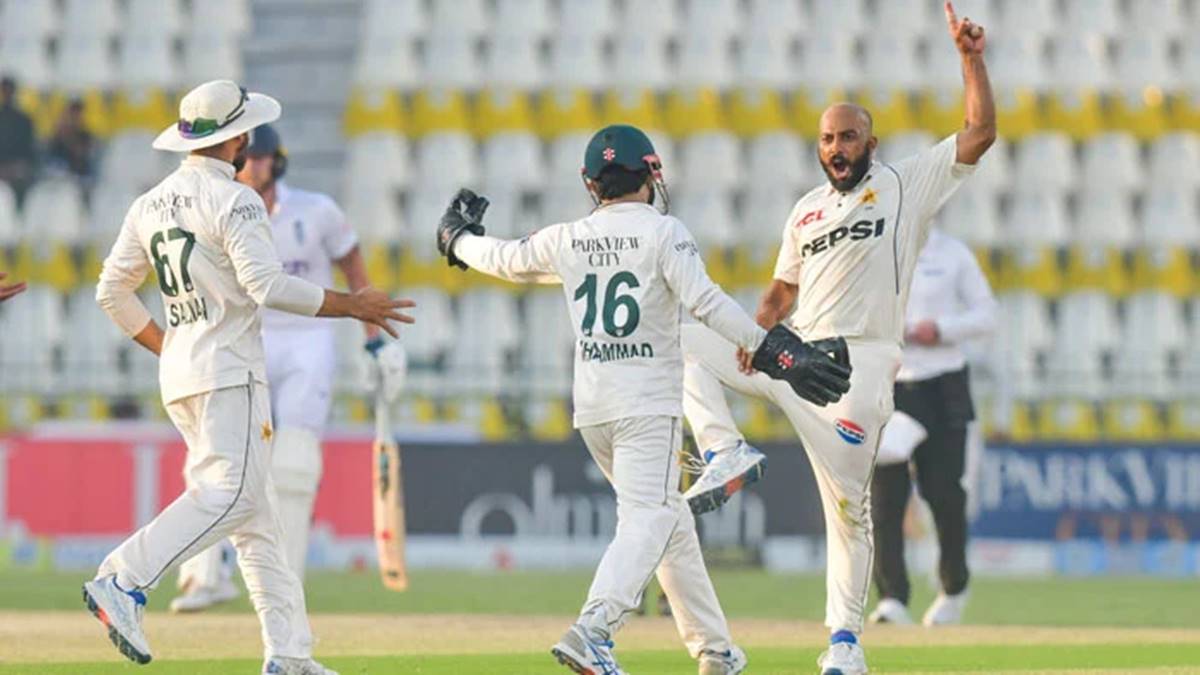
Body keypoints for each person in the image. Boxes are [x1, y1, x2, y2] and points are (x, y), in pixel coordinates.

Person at [435, 124, 850, 675]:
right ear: (651, 174)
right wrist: (774, 350)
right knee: (648, 517)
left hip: (593, 409)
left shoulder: (570, 237)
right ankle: (594, 629)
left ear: (591, 183)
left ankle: (716, 652)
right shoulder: (663, 232)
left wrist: (456, 240)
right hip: (647, 404)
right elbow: (705, 302)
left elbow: (506, 258)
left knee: (668, 520)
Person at [678, 4, 995, 673]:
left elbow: (978, 132)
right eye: (828, 139)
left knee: (848, 511)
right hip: (792, 355)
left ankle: (845, 645)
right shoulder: (806, 209)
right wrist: (753, 335)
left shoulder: (904, 183)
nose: (837, 148)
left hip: (860, 364)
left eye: (849, 137)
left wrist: (970, 59)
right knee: (687, 338)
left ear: (870, 144)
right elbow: (779, 291)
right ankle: (724, 448)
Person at [85, 79, 415, 675]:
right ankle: (122, 580)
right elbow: (267, 287)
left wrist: (169, 345)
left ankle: (290, 655)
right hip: (229, 369)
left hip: (185, 369)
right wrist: (354, 305)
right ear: (235, 137)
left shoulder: (150, 202)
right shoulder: (237, 200)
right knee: (232, 496)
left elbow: (112, 292)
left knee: (257, 520)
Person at [169, 124, 408, 613]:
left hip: (307, 341)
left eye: (261, 157)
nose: (253, 166)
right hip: (244, 337)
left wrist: (374, 344)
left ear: (277, 161)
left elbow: (356, 272)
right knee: (217, 456)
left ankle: (287, 589)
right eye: (246, 157)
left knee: (293, 466)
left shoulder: (316, 211)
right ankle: (202, 577)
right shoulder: (219, 209)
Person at [867, 228, 996, 627]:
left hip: (943, 384)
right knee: (885, 497)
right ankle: (891, 598)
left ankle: (953, 590)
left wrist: (938, 329)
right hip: (891, 383)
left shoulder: (952, 252)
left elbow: (988, 314)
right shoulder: (873, 249)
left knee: (944, 495)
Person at [0, 76, 36, 202]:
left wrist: (16, 168)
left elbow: (29, 152)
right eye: (5, 90)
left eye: (9, 90)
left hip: (17, 171)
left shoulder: (24, 120)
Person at [46, 98, 95, 182]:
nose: (74, 118)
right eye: (72, 114)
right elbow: (53, 152)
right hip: (60, 168)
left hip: (79, 171)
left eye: (77, 115)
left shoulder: (85, 134)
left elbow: (84, 153)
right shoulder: (58, 133)